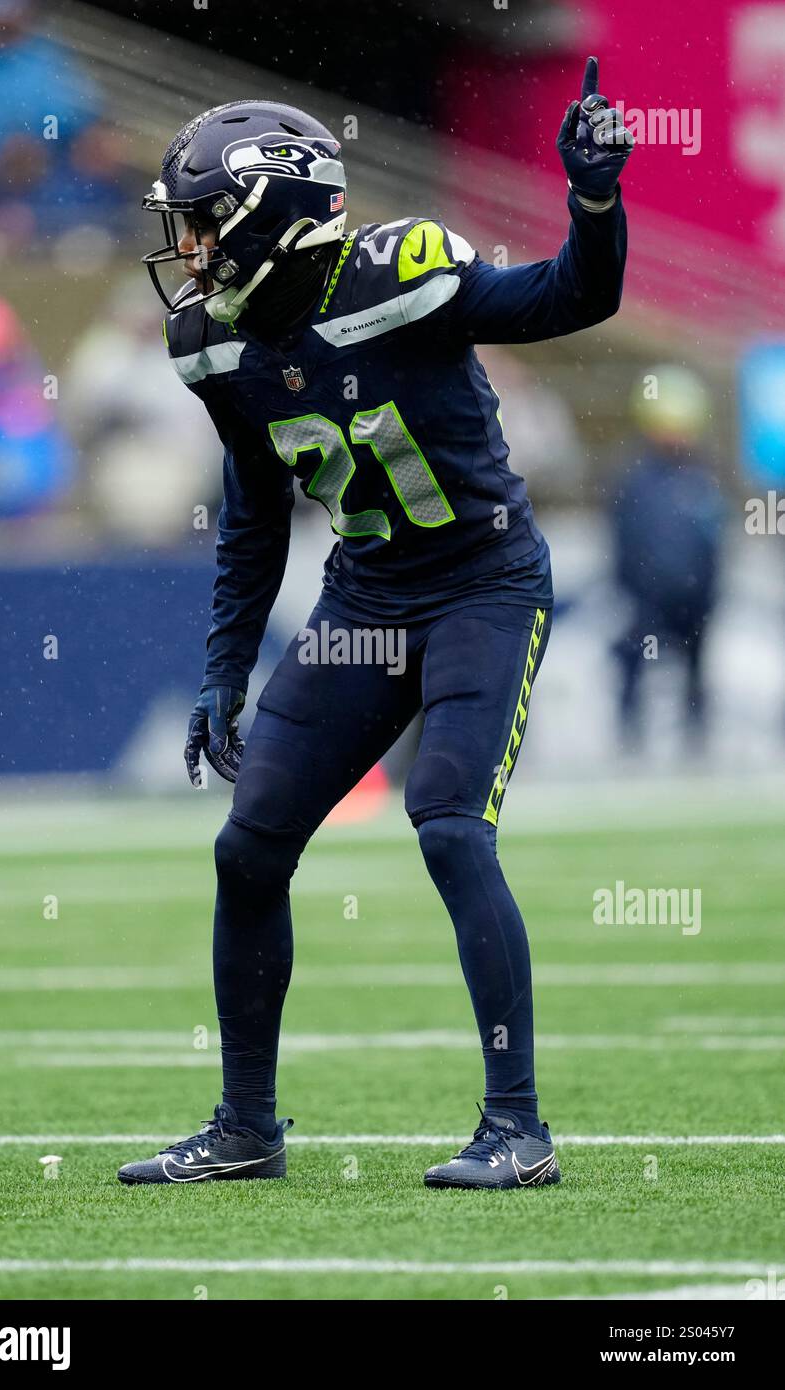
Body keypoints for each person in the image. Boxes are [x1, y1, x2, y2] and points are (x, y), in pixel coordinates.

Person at [118, 59, 632, 1190]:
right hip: (366, 599)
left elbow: (567, 299)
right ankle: (246, 1127)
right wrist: (223, 668)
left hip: (483, 584)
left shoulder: (400, 275)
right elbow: (255, 513)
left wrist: (594, 201)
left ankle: (518, 1128)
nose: (189, 253)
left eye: (203, 224)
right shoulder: (212, 342)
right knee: (248, 847)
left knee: (448, 825)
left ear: (268, 216)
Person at [611, 366, 724, 751]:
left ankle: (697, 743)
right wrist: (628, 589)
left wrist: (710, 592)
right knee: (634, 665)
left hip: (694, 599)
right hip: (646, 597)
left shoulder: (703, 476)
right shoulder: (635, 478)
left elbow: (713, 542)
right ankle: (629, 740)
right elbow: (624, 539)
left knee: (695, 672)